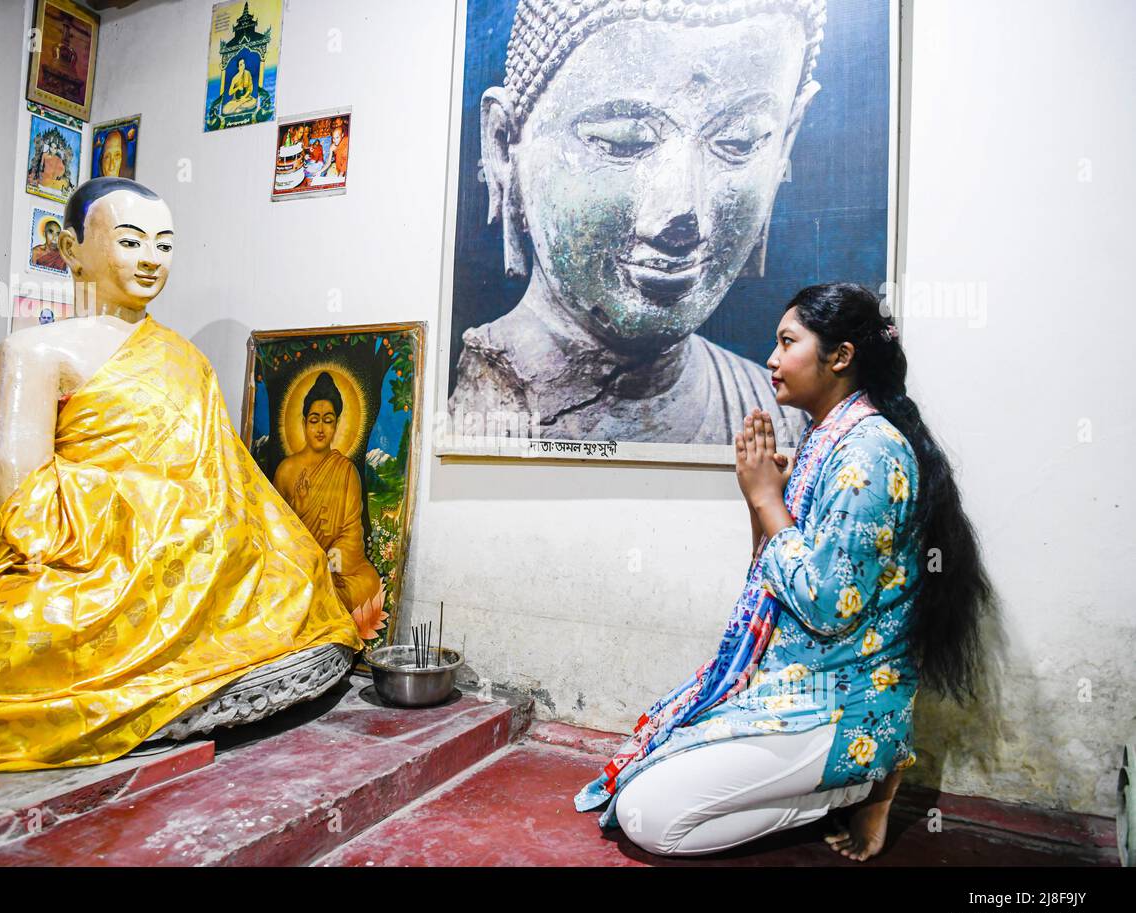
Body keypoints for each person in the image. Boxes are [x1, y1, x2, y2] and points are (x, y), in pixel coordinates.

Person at [0, 177, 363, 772]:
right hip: (88, 557)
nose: (150, 259)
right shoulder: (35, 351)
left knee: (296, 570)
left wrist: (206, 520)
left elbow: (226, 477)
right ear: (69, 247)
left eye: (164, 245)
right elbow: (21, 497)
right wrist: (152, 512)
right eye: (132, 240)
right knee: (18, 629)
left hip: (193, 550)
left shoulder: (186, 358)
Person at [575, 282, 990, 861]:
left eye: (788, 341)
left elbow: (827, 605)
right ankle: (830, 785)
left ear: (840, 356)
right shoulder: (827, 440)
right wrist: (761, 500)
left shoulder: (869, 451)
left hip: (840, 704)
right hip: (787, 685)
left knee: (649, 816)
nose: (771, 358)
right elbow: (768, 576)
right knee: (652, 757)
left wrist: (769, 500)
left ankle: (857, 785)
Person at [448, 0, 828, 446]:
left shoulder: (773, 420)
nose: (684, 212)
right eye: (624, 142)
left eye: (738, 142)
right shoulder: (483, 411)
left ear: (786, 141)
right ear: (503, 146)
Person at [272, 372, 383, 621]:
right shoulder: (286, 470)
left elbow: (352, 533)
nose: (320, 429)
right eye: (314, 420)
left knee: (370, 583)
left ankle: (319, 598)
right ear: (303, 423)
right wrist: (298, 511)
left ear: (336, 425)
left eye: (328, 420)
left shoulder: (346, 471)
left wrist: (329, 565)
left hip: (337, 567)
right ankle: (315, 597)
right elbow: (274, 530)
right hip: (295, 563)